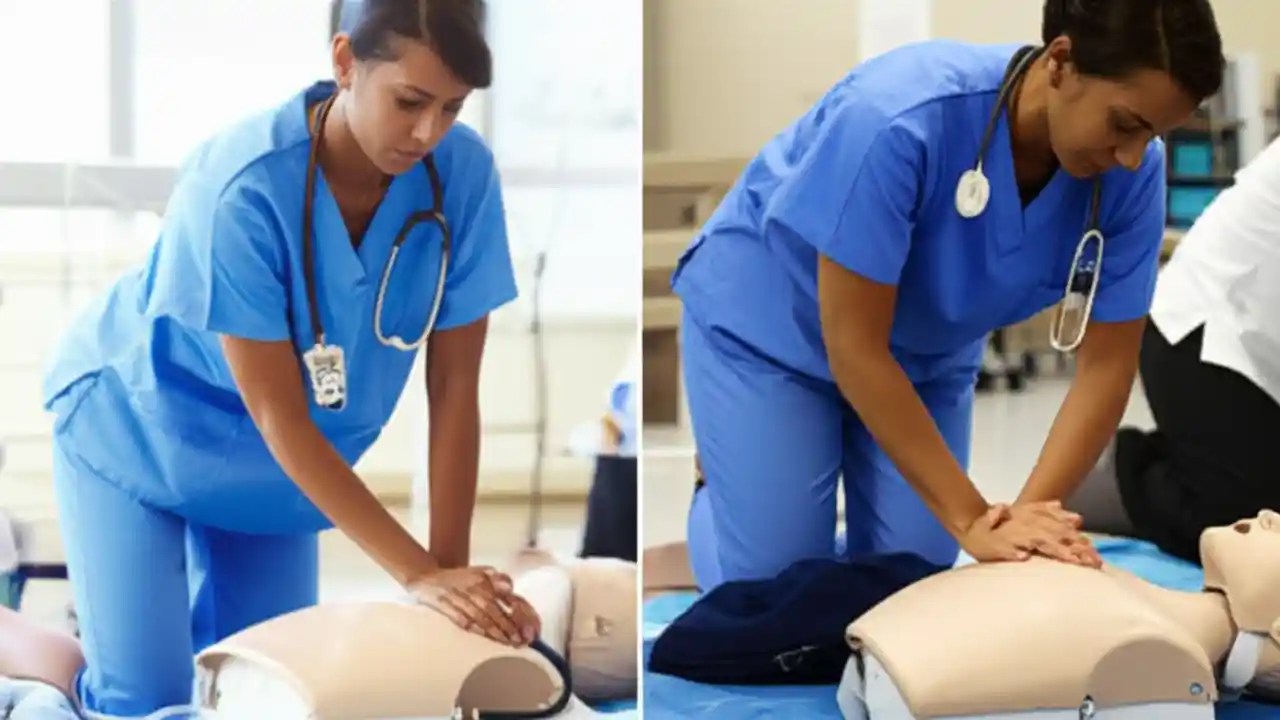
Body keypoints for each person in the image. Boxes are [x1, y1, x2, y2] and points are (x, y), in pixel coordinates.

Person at [37, 1, 540, 716]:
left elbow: (456, 385)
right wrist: (416, 574)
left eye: (453, 108)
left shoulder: (460, 177)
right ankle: (35, 660)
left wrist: (450, 582)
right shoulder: (242, 184)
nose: (429, 132)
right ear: (344, 64)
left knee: (268, 692)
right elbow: (276, 412)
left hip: (280, 478)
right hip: (136, 436)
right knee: (143, 699)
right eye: (410, 102)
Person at [670, 0, 1226, 592]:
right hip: (772, 331)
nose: (1133, 156)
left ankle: (771, 505)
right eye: (1123, 124)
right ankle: (726, 487)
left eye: (1154, 135)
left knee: (914, 573)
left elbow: (1106, 370)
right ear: (1061, 62)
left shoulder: (1134, 173)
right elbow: (855, 346)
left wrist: (1019, 527)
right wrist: (968, 517)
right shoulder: (897, 117)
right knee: (770, 586)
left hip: (924, 355)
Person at [1066, 136, 1280, 564]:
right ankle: (1122, 476)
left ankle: (1204, 453)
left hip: (1259, 346)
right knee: (1244, 531)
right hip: (1208, 330)